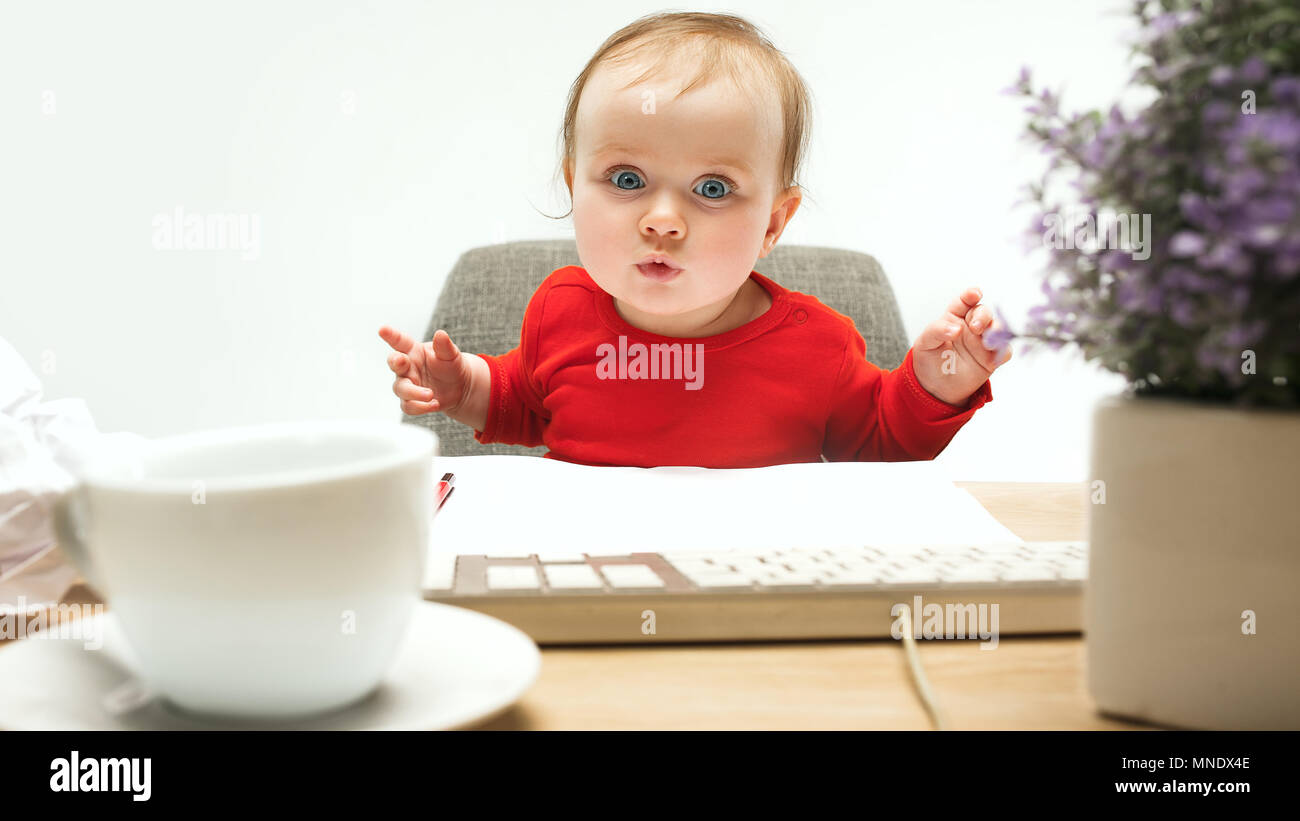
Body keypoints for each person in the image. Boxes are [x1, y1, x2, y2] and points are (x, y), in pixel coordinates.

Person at [379, 12, 1012, 469]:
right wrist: (466, 388)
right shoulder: (560, 310)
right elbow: (524, 401)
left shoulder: (815, 346)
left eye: (712, 189)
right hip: (590, 565)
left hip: (751, 583)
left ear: (772, 224)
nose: (662, 221)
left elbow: (883, 442)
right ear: (576, 188)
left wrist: (935, 385)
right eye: (627, 179)